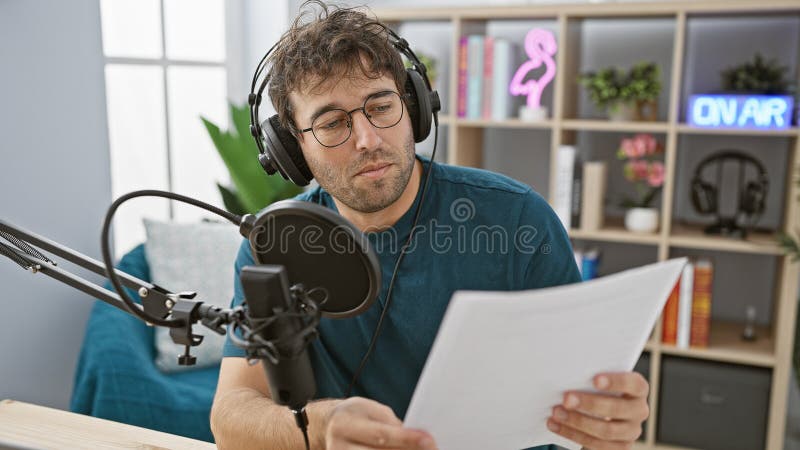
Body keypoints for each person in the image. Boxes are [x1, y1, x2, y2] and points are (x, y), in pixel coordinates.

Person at [210, 2, 650, 449]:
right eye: (333, 123)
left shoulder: (519, 221)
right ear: (290, 148)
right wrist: (320, 426)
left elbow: (582, 390)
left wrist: (607, 420)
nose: (368, 139)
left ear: (414, 107)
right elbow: (231, 414)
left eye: (381, 107)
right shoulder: (276, 244)